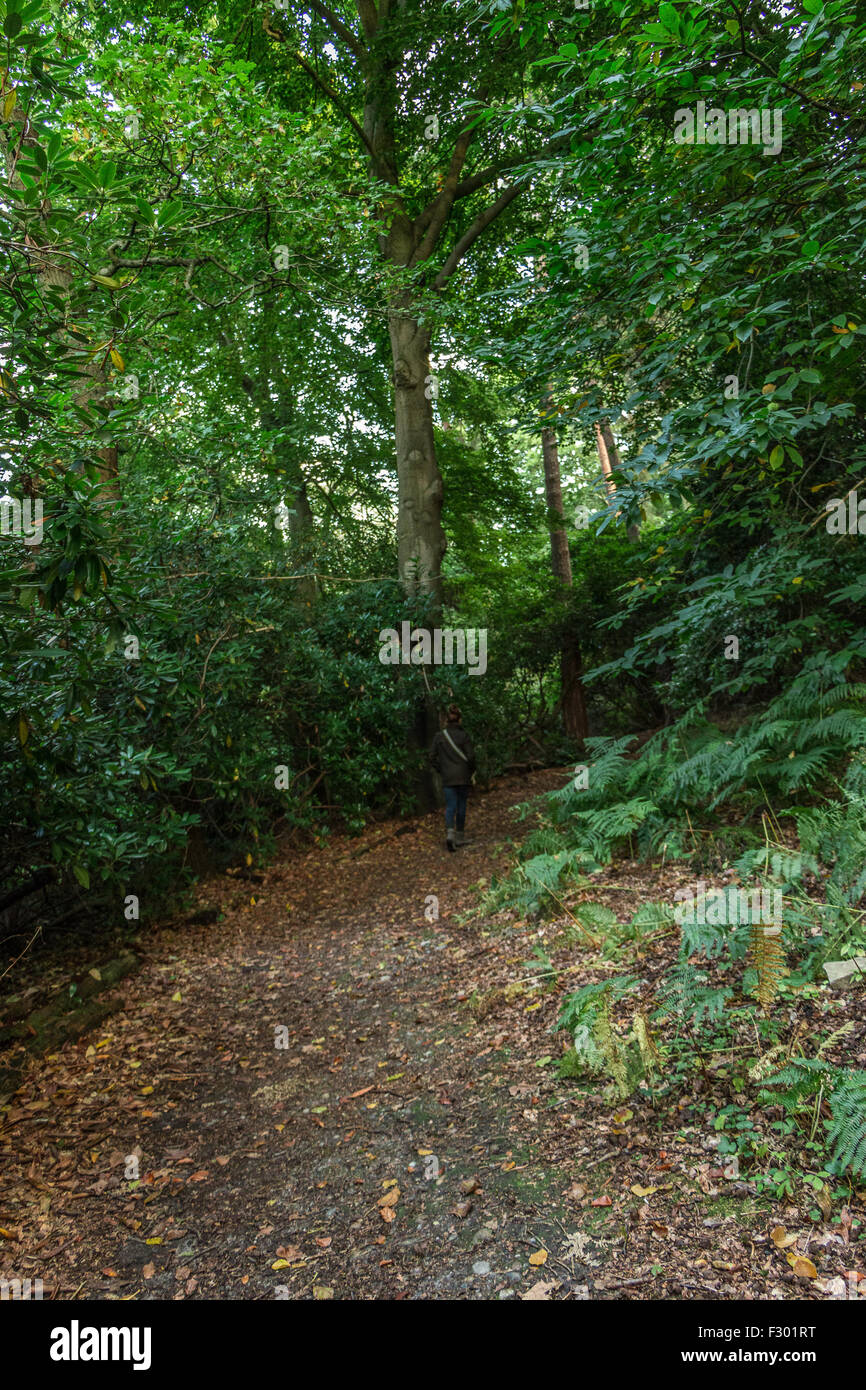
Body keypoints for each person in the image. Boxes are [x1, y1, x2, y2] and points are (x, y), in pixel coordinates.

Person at [429, 704, 476, 851]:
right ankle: (460, 837)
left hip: (448, 777)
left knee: (450, 806)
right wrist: (472, 770)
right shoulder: (464, 736)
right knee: (461, 806)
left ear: (446, 720)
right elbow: (471, 757)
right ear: (459, 720)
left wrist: (441, 769)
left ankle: (450, 835)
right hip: (462, 776)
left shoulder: (439, 737)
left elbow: (431, 757)